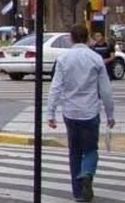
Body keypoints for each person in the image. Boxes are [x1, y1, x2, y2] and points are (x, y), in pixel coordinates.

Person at [47, 23, 115, 203]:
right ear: (87, 38)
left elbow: (55, 87)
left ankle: (77, 192)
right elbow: (105, 90)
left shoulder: (63, 59)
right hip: (90, 111)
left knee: (74, 151)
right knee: (91, 149)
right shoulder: (96, 59)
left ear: (71, 38)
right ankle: (87, 173)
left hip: (70, 111)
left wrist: (51, 113)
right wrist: (110, 114)